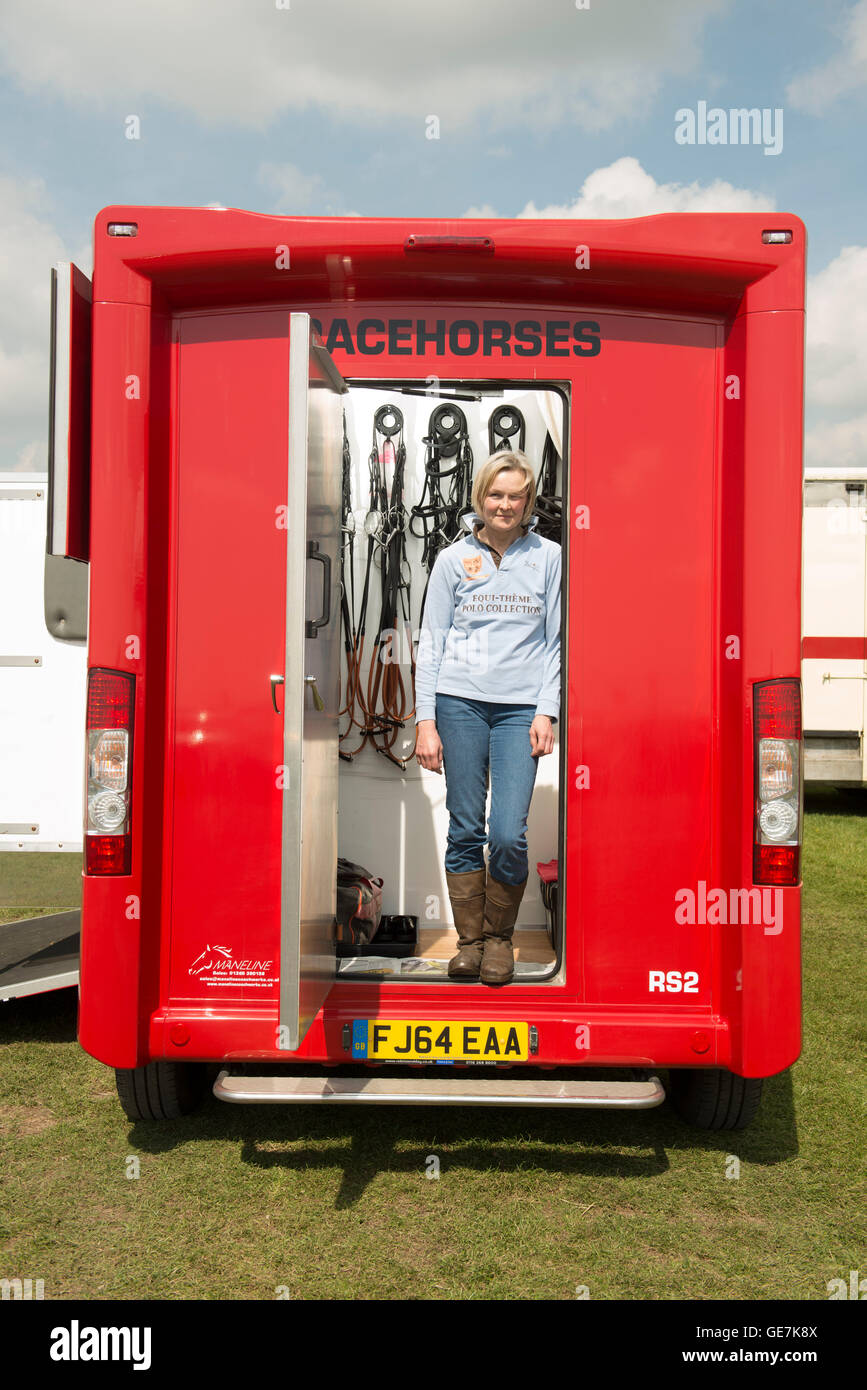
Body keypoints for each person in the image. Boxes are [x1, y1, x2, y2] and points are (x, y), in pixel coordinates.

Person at [414, 449, 561, 985]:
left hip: (520, 709)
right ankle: (470, 944)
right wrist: (424, 720)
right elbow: (431, 643)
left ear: (528, 501)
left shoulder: (551, 557)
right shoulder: (452, 560)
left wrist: (546, 710)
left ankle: (502, 940)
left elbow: (556, 644)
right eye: (496, 494)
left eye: (515, 495)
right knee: (464, 828)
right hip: (459, 704)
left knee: (506, 833)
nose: (505, 504)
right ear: (480, 498)